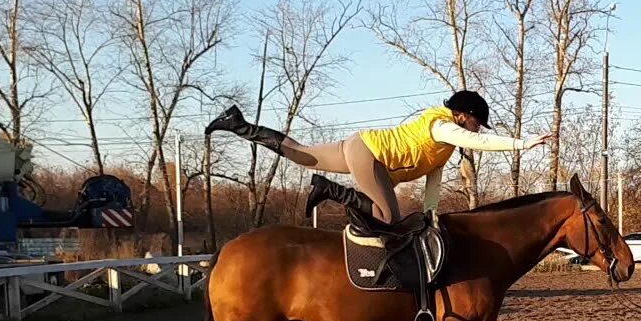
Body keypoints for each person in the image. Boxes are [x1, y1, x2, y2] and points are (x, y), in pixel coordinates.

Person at [204, 90, 552, 225]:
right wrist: (523, 144)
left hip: (361, 147)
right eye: (477, 122)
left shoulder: (444, 145)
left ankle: (237, 124)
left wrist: (431, 217)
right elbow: (480, 144)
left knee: (300, 154)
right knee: (388, 216)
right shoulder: (444, 128)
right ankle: (330, 190)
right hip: (371, 156)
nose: (478, 130)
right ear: (464, 115)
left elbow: (433, 184)